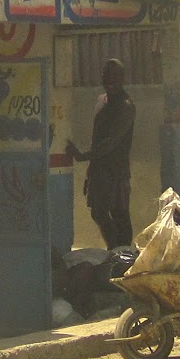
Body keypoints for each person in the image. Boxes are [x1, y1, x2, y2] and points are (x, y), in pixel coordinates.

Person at [65, 59, 136, 250]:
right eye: (106, 75)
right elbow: (98, 139)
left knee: (119, 214)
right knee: (98, 212)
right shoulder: (100, 101)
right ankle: (114, 250)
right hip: (99, 170)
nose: (110, 80)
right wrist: (90, 168)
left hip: (117, 172)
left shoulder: (125, 106)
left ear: (122, 79)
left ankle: (121, 253)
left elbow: (111, 142)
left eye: (114, 76)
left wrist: (83, 156)